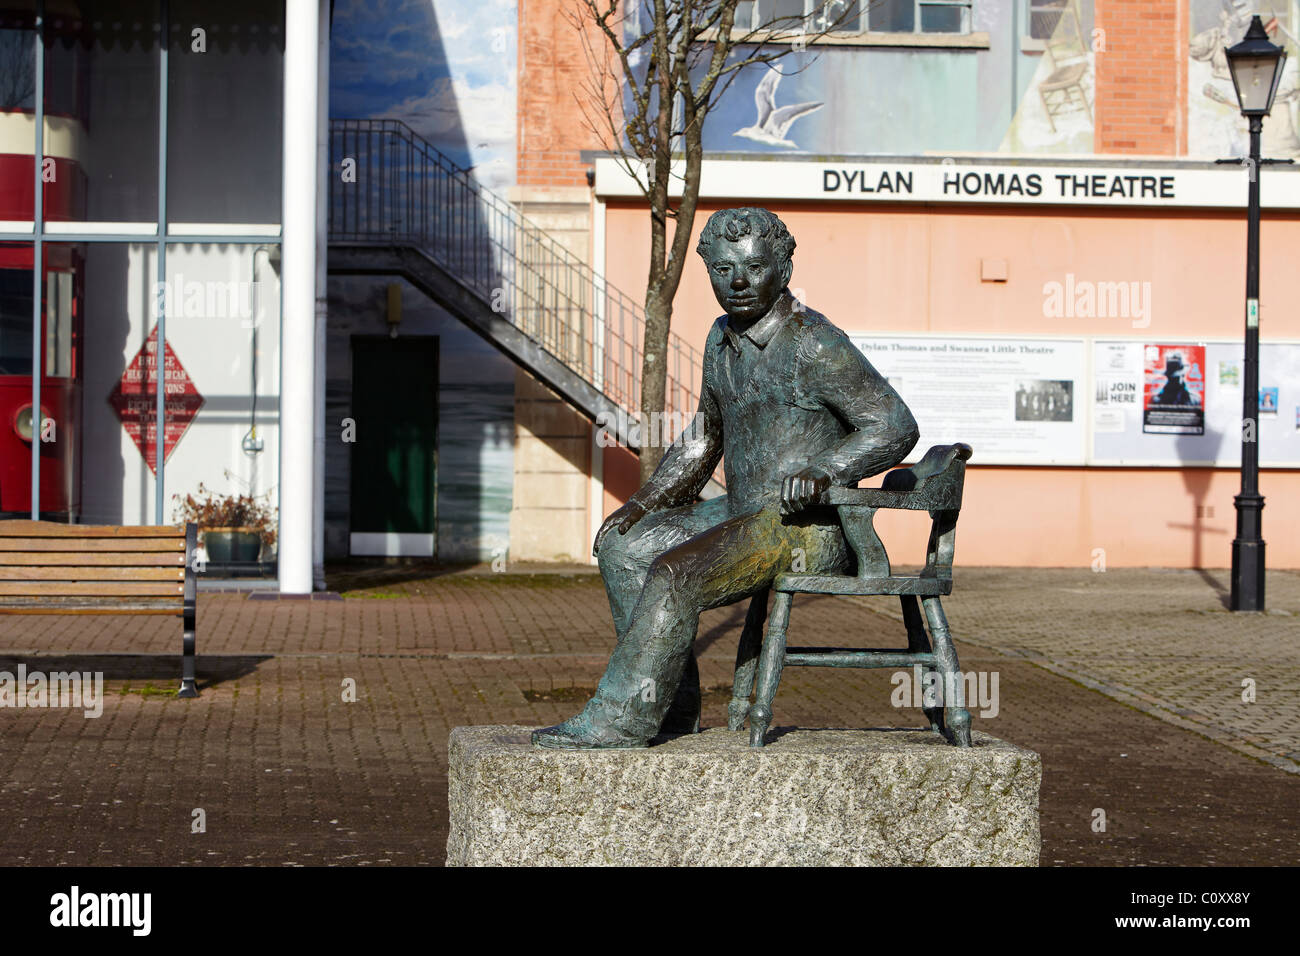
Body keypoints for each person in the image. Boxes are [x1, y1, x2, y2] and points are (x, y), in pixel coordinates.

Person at [532, 207, 919, 749]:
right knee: (623, 547)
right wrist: (644, 504)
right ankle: (669, 706)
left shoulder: (815, 342)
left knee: (675, 573)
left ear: (784, 268)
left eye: (755, 267)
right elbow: (703, 438)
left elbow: (895, 426)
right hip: (744, 514)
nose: (737, 282)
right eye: (722, 270)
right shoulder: (720, 339)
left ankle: (618, 721)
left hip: (808, 530)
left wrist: (824, 470)